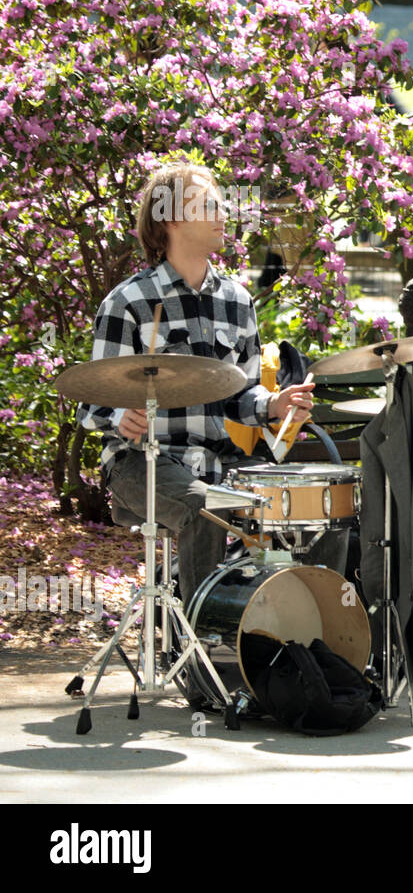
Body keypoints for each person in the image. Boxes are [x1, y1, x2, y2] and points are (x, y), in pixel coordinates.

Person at [78, 162, 316, 605]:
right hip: (141, 462)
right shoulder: (128, 302)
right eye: (209, 205)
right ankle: (200, 650)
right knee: (205, 508)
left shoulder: (237, 300)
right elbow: (93, 403)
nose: (223, 214)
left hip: (216, 461)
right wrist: (120, 416)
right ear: (169, 219)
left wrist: (275, 404)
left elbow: (239, 395)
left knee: (305, 508)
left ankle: (293, 650)